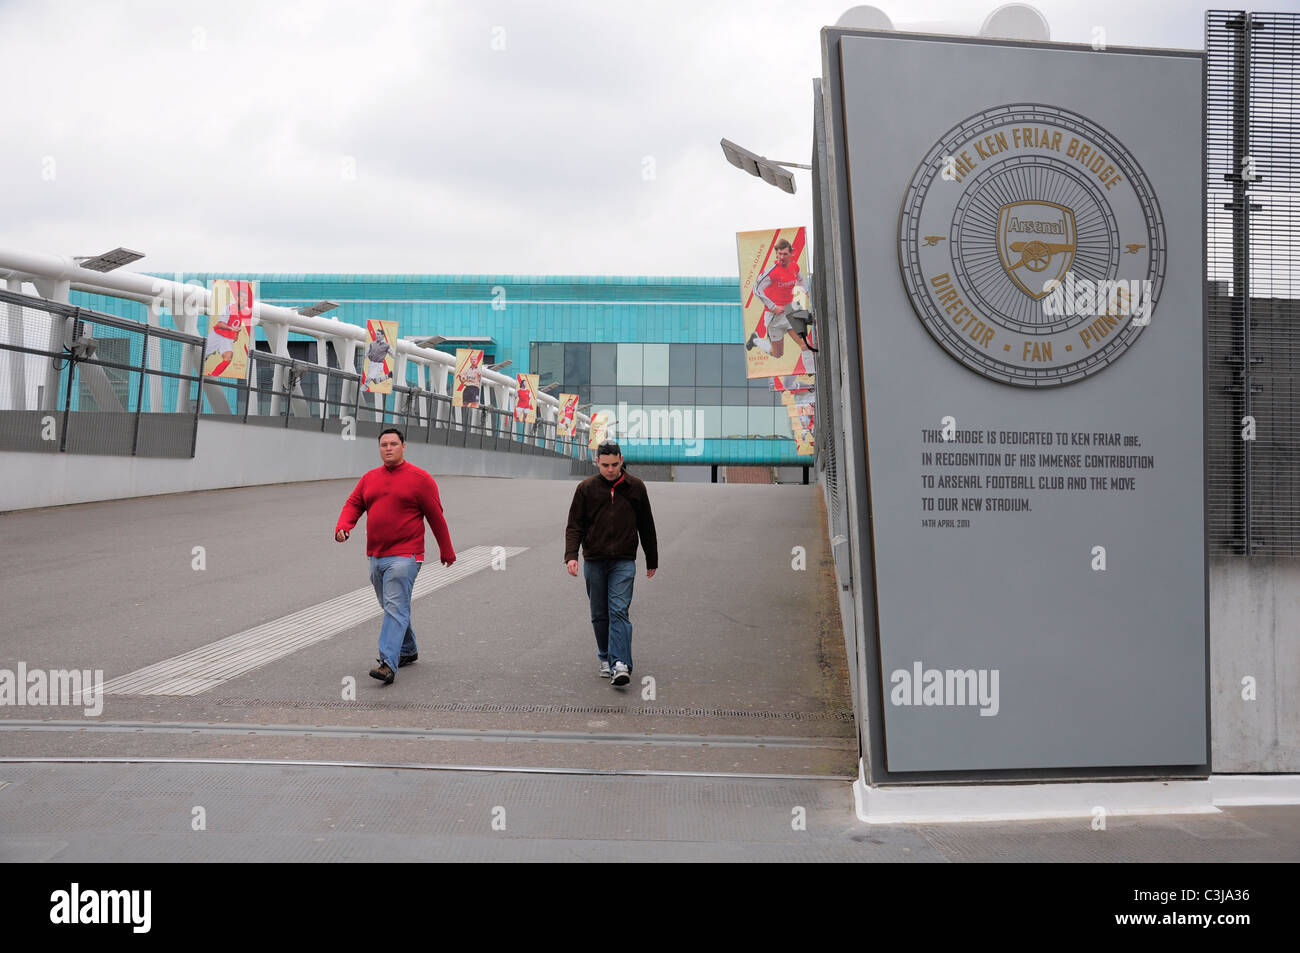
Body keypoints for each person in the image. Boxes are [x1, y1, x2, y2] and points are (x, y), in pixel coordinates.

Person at [335, 427, 455, 684]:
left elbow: (436, 517)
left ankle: (388, 663)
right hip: (377, 555)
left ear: (403, 446)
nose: (388, 448)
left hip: (406, 556)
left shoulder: (420, 479)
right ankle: (408, 649)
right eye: (383, 445)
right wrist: (344, 526)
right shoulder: (369, 478)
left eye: (393, 444)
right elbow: (354, 504)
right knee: (392, 606)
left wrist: (447, 550)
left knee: (394, 605)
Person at [564, 441, 658, 687]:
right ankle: (605, 656)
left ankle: (621, 664)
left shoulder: (636, 487)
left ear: (621, 460)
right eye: (605, 465)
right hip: (594, 560)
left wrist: (652, 558)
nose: (610, 469)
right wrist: (571, 555)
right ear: (597, 462)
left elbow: (646, 525)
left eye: (615, 464)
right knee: (599, 613)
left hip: (624, 561)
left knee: (618, 610)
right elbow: (575, 525)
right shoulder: (586, 489)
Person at [746, 239, 814, 360]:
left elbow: (801, 280)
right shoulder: (772, 272)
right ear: (776, 254)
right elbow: (756, 289)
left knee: (805, 344)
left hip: (790, 311)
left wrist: (806, 290)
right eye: (779, 254)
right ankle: (755, 339)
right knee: (777, 354)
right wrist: (773, 307)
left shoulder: (794, 266)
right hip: (774, 317)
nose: (781, 257)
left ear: (791, 254)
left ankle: (812, 371)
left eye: (785, 254)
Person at [365, 326, 392, 390]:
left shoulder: (387, 345)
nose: (376, 335)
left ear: (383, 336)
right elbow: (366, 353)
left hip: (378, 365)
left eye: (378, 334)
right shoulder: (372, 343)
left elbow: (393, 354)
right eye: (376, 334)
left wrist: (391, 353)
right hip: (371, 364)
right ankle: (388, 376)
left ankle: (362, 389)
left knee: (368, 379)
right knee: (376, 381)